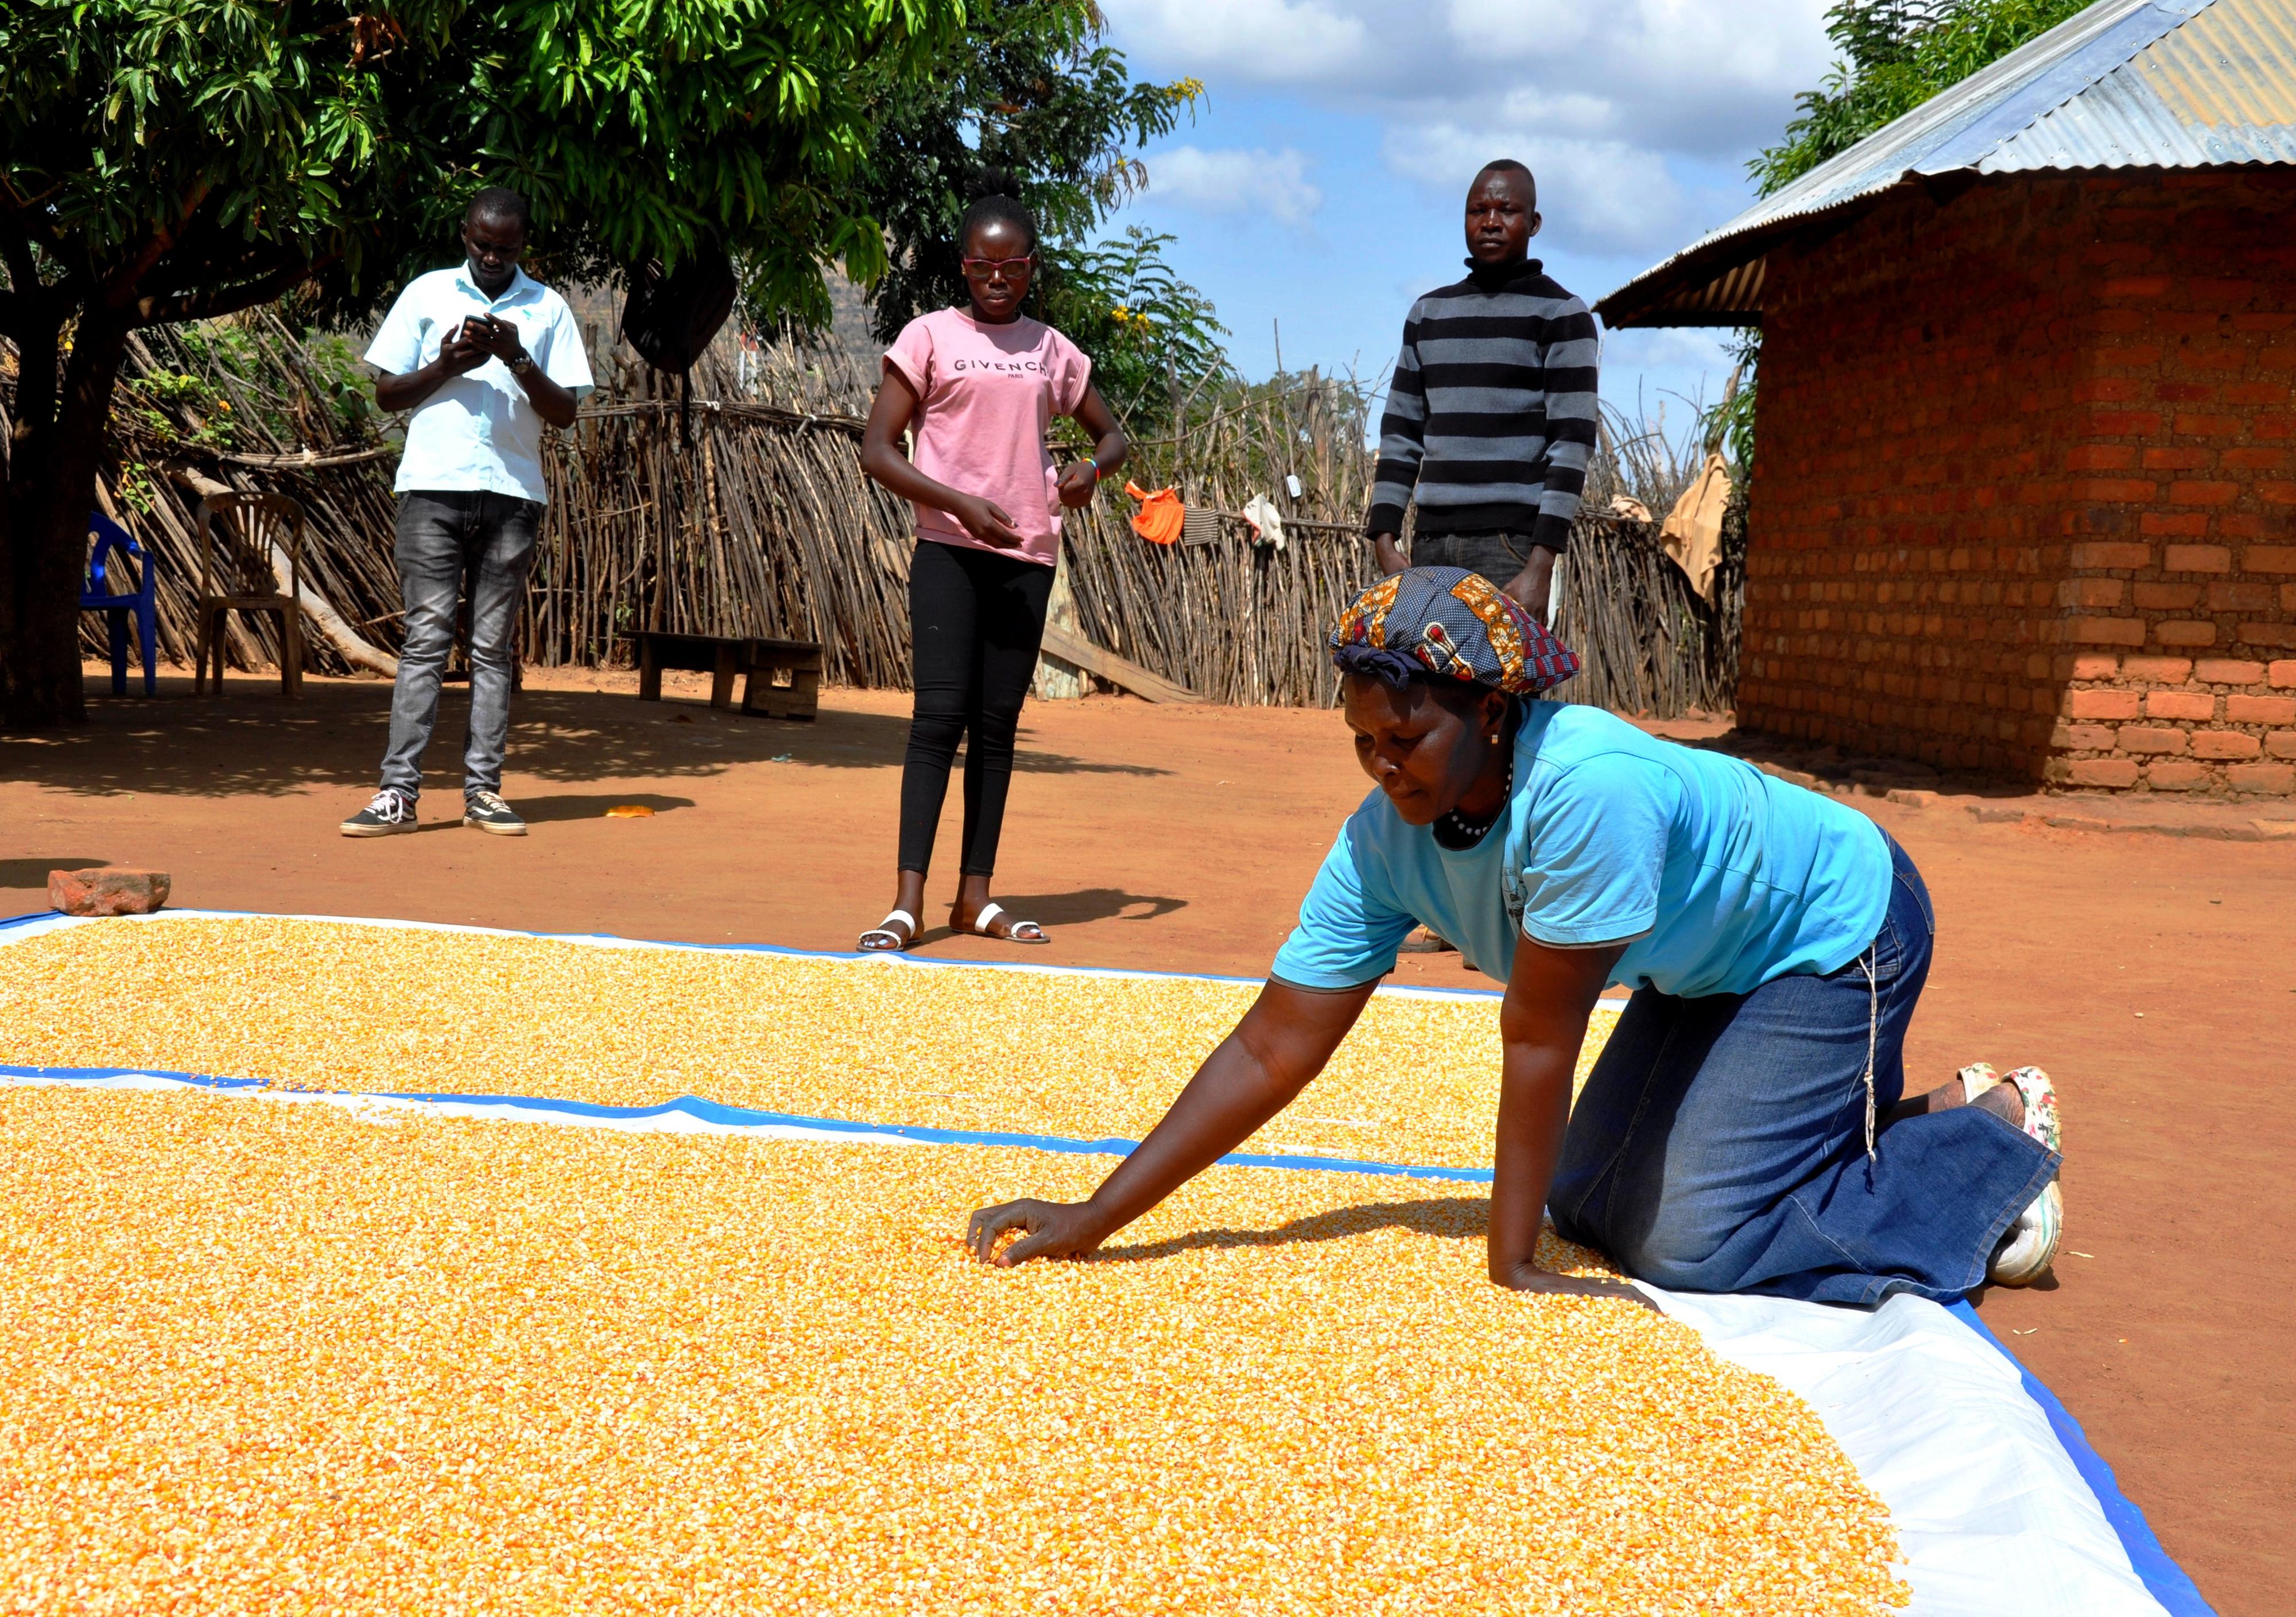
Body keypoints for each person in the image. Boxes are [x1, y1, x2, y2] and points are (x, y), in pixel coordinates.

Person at [967, 568, 2065, 1306]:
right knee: (1591, 1200)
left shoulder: (1586, 790)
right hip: (1699, 970)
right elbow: (1271, 1046)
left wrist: (1511, 1265)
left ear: (1490, 712)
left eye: (1405, 737)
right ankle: (1880, 1116)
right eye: (1362, 744)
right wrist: (1098, 1215)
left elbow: (1540, 1038)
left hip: (1832, 933)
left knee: (1690, 1243)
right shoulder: (1380, 843)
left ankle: (1994, 1142)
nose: (1384, 766)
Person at [853, 173, 1128, 950]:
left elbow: (1112, 436)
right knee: (938, 718)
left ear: (1031, 266)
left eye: (1012, 267)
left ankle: (975, 897)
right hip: (949, 549)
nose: (997, 279)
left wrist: (1090, 471)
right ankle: (907, 901)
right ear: (963, 267)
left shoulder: (1052, 350)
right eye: (982, 266)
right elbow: (878, 450)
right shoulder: (929, 337)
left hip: (1026, 555)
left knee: (998, 727)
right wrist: (959, 503)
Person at [340, 187, 594, 838]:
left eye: (504, 249)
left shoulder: (548, 308)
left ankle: (483, 792)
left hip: (512, 495)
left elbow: (565, 411)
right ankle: (397, 793)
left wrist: (516, 357)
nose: (490, 257)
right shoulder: (427, 294)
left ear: (522, 246)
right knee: (424, 641)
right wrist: (447, 364)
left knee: (491, 650)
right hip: (432, 488)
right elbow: (386, 395)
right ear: (464, 235)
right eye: (482, 245)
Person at [1367, 160, 1596, 625]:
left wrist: (1540, 564)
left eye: (1507, 210)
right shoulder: (1429, 314)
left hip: (1509, 547)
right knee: (1429, 694)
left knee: (1502, 696)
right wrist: (1385, 537)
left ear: (1533, 223)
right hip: (1430, 546)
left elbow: (1571, 445)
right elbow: (1401, 433)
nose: (1491, 222)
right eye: (1478, 210)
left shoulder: (1561, 315)